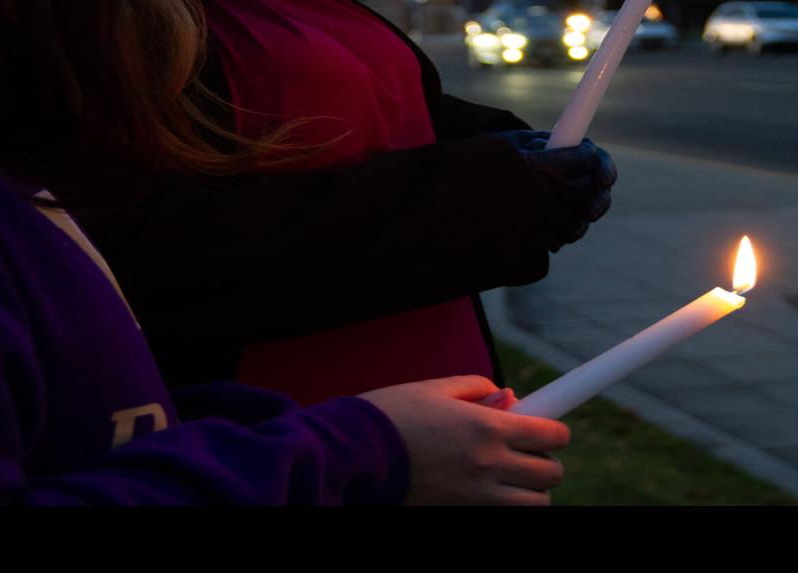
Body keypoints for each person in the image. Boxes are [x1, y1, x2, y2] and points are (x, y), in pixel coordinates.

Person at [0, 0, 570, 505]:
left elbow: (372, 105)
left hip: (326, 433)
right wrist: (357, 451)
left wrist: (505, 151)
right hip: (296, 424)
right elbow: (166, 246)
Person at [72, 0, 618, 405]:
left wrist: (518, 151)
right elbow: (152, 250)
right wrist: (490, 190)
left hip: (438, 408)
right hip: (292, 432)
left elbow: (380, 106)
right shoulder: (108, 24)